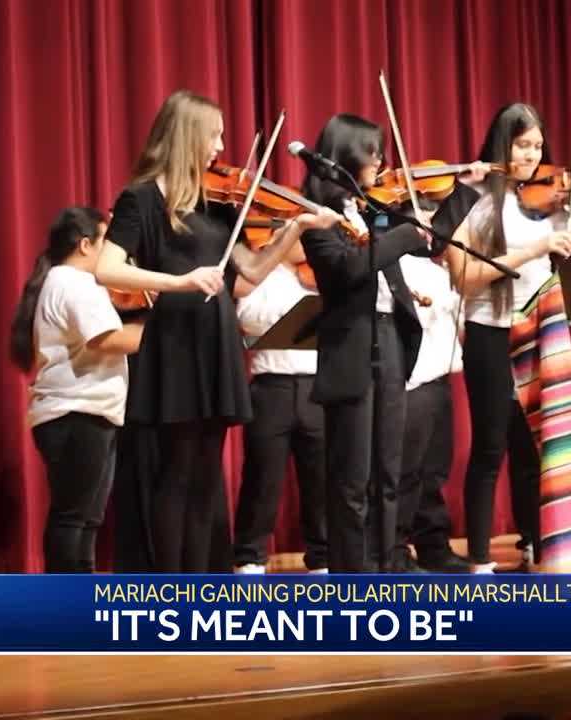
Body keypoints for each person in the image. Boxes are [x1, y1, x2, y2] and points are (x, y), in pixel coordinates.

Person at [97, 90, 339, 572]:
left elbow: (249, 273)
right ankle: (168, 585)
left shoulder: (219, 206)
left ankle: (200, 579)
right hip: (173, 345)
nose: (221, 145)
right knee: (174, 473)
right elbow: (107, 268)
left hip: (215, 344)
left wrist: (296, 230)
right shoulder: (141, 199)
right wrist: (178, 281)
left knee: (205, 474)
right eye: (215, 135)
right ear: (189, 136)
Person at [439, 103, 571, 572]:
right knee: (492, 445)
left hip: (544, 333)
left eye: (537, 145)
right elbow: (465, 277)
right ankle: (479, 562)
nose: (532, 155)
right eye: (522, 144)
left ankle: (538, 546)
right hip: (491, 330)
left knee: (539, 446)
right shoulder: (479, 201)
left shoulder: (553, 206)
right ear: (501, 145)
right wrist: (537, 246)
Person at [298, 113, 437, 573]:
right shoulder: (318, 214)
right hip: (352, 346)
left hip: (390, 339)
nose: (380, 161)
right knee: (352, 478)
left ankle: (386, 570)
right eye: (373, 151)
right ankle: (352, 582)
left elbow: (416, 247)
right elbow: (349, 269)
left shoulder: (370, 210)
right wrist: (402, 234)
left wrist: (445, 207)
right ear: (347, 153)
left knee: (387, 472)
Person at [10, 208, 144, 572]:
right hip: (76, 414)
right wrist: (162, 330)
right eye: (106, 242)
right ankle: (65, 606)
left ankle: (77, 601)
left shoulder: (67, 281)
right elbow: (107, 339)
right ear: (86, 245)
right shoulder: (73, 282)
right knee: (74, 517)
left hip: (85, 412)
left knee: (86, 518)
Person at [231, 240, 327, 574]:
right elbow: (250, 322)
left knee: (320, 478)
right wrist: (306, 316)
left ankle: (322, 558)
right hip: (272, 386)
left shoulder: (320, 275)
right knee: (262, 477)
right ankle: (249, 558)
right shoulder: (260, 277)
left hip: (317, 387)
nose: (304, 244)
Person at [392, 201, 471, 573]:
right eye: (422, 221)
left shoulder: (437, 268)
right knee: (408, 472)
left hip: (441, 378)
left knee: (435, 469)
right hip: (415, 382)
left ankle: (434, 545)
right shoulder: (400, 267)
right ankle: (396, 549)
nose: (431, 228)